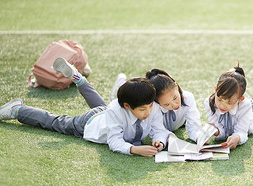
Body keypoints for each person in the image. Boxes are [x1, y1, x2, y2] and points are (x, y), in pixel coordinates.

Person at [0, 58, 168, 157]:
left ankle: (78, 77)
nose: (148, 112)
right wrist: (134, 149)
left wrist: (159, 140)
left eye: (150, 106)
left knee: (104, 107)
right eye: (142, 109)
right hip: (89, 123)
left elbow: (158, 128)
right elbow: (114, 141)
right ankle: (18, 109)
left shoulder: (147, 106)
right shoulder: (116, 111)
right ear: (127, 106)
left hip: (105, 113)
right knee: (57, 122)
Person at [110, 69, 203, 142]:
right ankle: (121, 84)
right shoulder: (152, 108)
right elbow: (158, 130)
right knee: (132, 95)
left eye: (175, 98)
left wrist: (199, 137)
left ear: (176, 86)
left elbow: (194, 126)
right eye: (166, 104)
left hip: (179, 123)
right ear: (156, 102)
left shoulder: (188, 97)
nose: (175, 105)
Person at [205, 65, 253, 149]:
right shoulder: (209, 102)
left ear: (240, 99)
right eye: (220, 99)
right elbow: (222, 131)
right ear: (215, 90)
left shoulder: (245, 105)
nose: (222, 105)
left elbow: (242, 132)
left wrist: (237, 137)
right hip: (244, 110)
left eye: (229, 102)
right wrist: (217, 131)